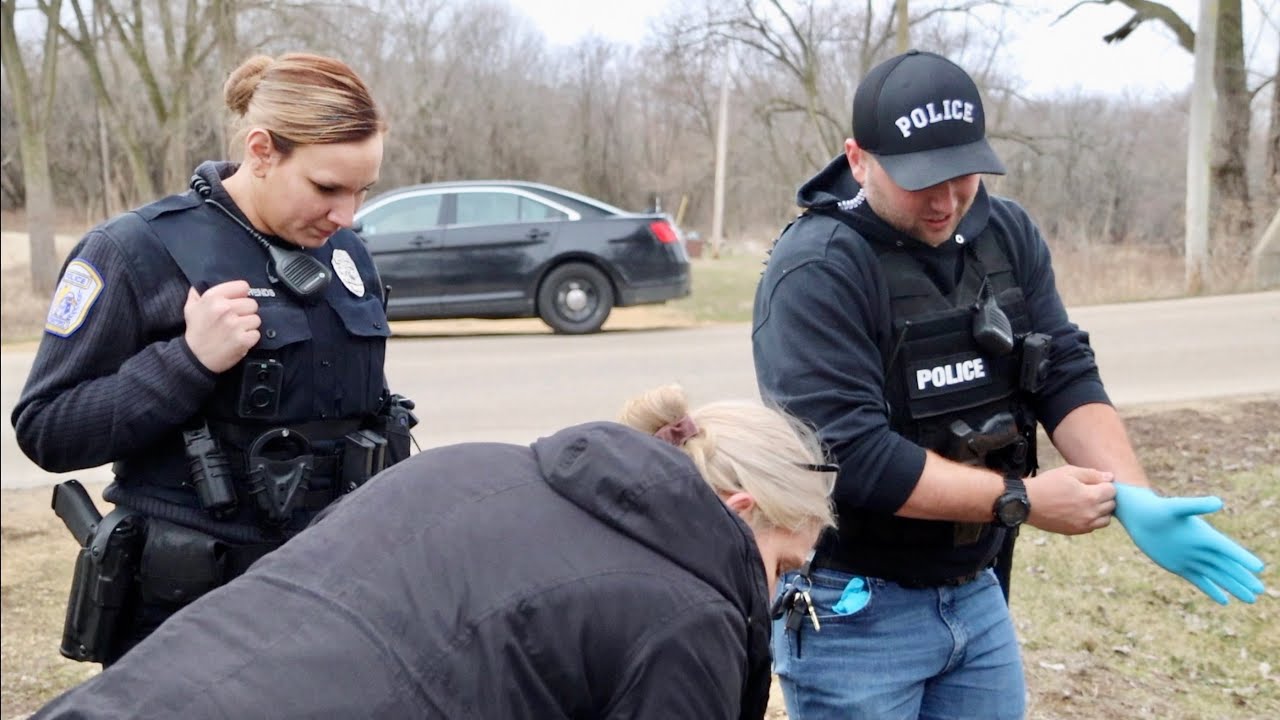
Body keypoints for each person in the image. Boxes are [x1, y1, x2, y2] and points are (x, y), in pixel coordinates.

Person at [751, 49, 1266, 719]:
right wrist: (1020, 499)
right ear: (858, 159)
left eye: (960, 173)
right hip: (854, 609)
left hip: (975, 592)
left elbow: (1063, 371)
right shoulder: (816, 270)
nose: (944, 200)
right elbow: (849, 458)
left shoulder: (1007, 234)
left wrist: (1133, 495)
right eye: (918, 180)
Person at [31, 384, 838, 720]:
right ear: (738, 510)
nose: (773, 594)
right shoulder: (686, 617)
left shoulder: (477, 462)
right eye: (782, 565)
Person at [12, 52, 416, 666]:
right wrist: (189, 360)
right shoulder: (135, 251)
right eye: (327, 188)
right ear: (261, 151)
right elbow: (48, 429)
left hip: (334, 596)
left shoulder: (346, 255)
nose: (346, 215)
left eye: (362, 191)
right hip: (189, 620)